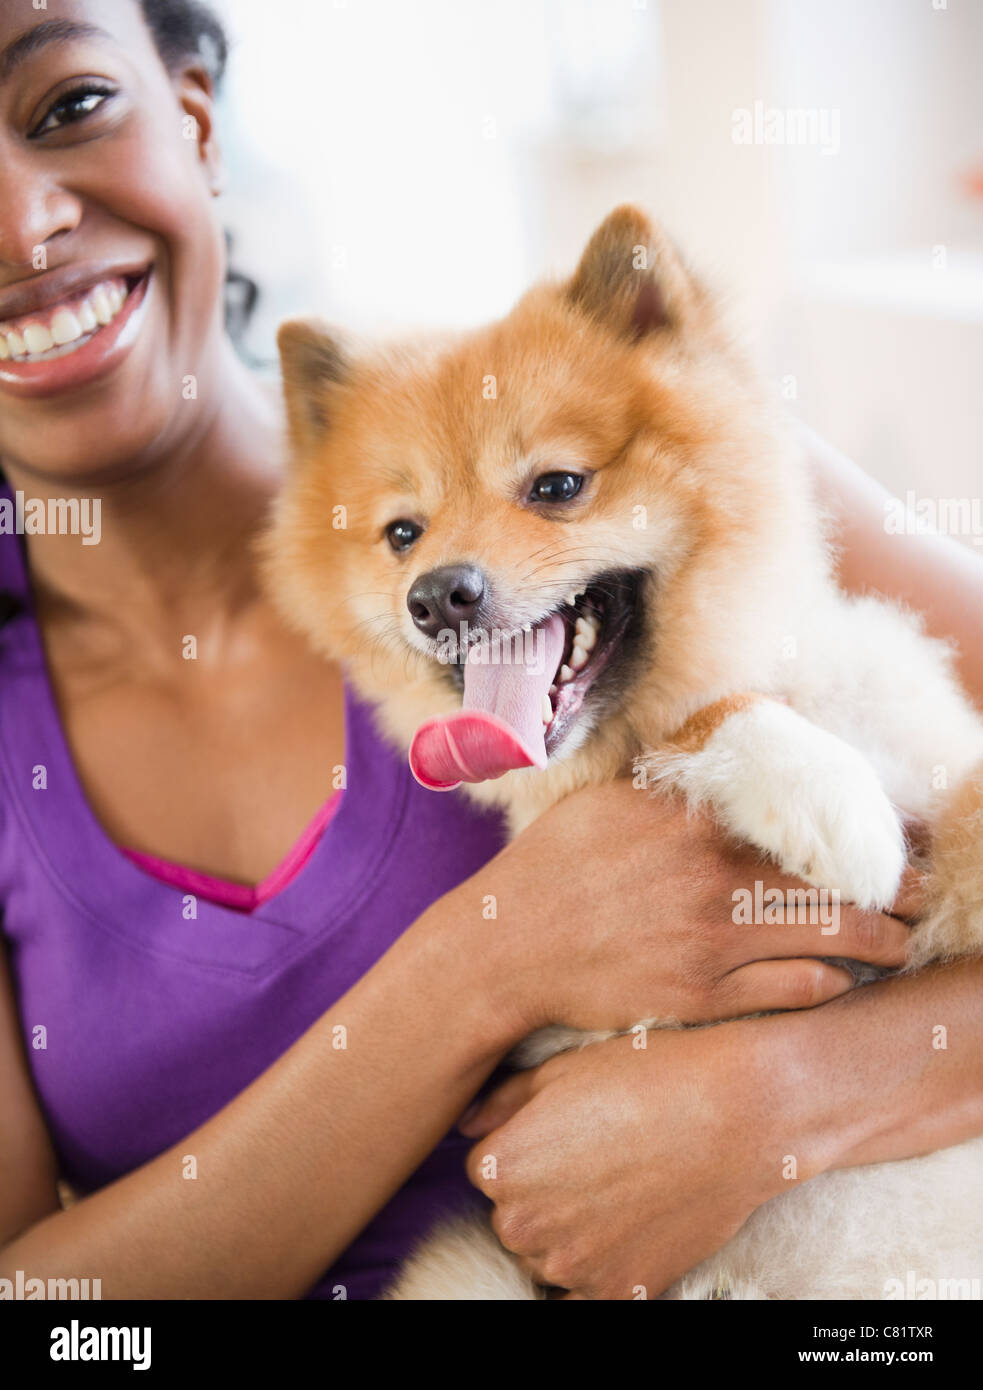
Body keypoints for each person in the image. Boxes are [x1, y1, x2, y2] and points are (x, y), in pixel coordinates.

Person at [0, 0, 980, 1301]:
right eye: (406, 536)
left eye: (68, 105)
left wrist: (785, 1097)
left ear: (191, 119)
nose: (24, 227)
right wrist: (485, 964)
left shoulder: (651, 457)